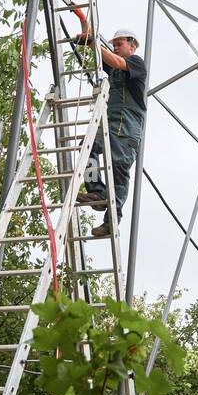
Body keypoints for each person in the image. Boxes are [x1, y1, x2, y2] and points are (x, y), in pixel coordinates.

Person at [73, 27, 147, 238]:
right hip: (109, 120)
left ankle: (112, 220)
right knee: (87, 148)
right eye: (113, 44)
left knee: (119, 167)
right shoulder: (113, 66)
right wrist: (88, 37)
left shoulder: (135, 63)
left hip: (128, 124)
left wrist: (93, 42)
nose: (114, 47)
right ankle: (97, 191)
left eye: (119, 43)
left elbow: (115, 61)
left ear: (132, 46)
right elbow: (102, 55)